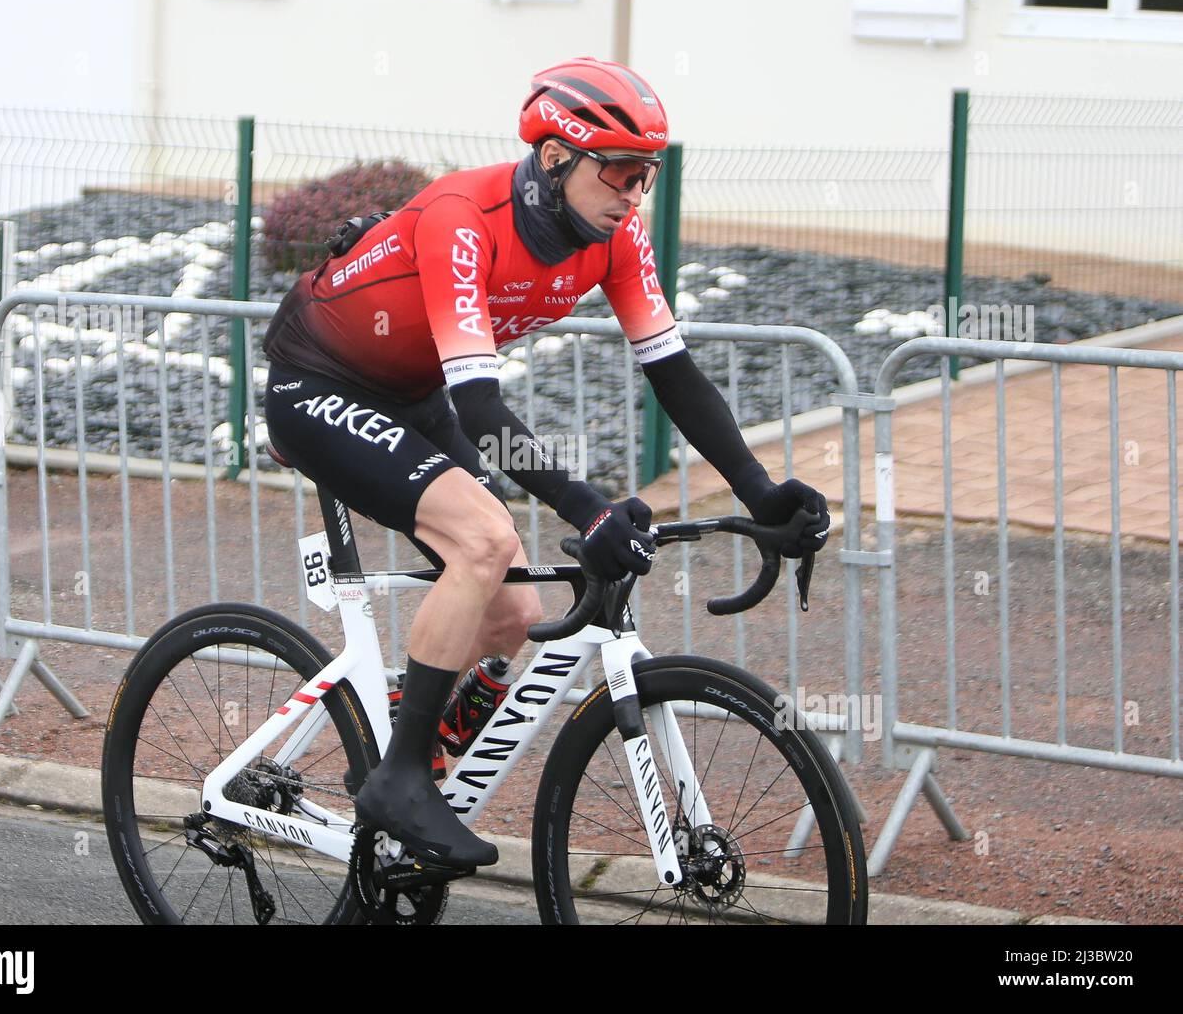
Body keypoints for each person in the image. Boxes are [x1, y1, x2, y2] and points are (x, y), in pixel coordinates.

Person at [262, 57, 829, 868]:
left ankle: (408, 755)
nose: (635, 197)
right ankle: (397, 782)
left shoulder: (614, 237)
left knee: (513, 614)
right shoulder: (465, 215)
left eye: (648, 178)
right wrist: (588, 509)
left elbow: (674, 372)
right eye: (622, 173)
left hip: (414, 390)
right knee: (485, 543)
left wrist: (762, 492)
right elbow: (484, 410)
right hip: (319, 380)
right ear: (557, 156)